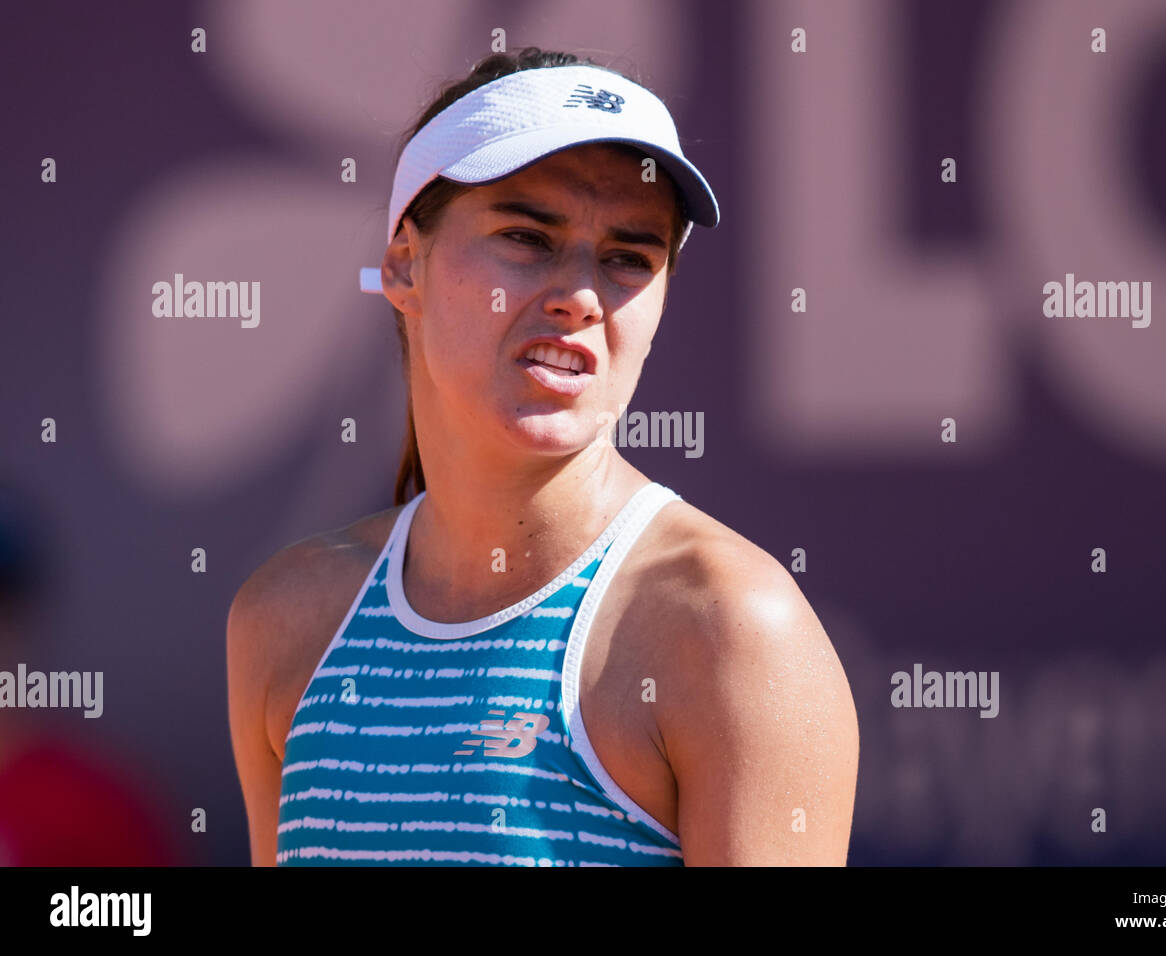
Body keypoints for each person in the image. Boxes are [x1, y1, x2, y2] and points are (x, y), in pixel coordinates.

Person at [226, 47, 858, 867]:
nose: (583, 296)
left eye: (630, 257)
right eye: (527, 236)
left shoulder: (731, 630)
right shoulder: (284, 620)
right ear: (403, 262)